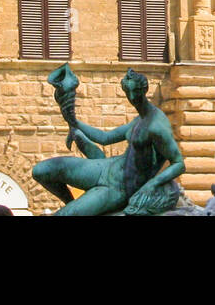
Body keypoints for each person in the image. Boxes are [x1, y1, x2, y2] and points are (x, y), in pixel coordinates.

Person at [32, 69, 185, 216]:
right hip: (106, 167)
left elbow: (178, 163)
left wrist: (152, 184)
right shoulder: (140, 119)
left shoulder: (156, 125)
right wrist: (74, 122)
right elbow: (105, 138)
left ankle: (75, 209)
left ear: (144, 90)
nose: (132, 97)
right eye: (129, 92)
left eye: (136, 92)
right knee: (41, 171)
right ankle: (72, 204)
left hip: (119, 187)